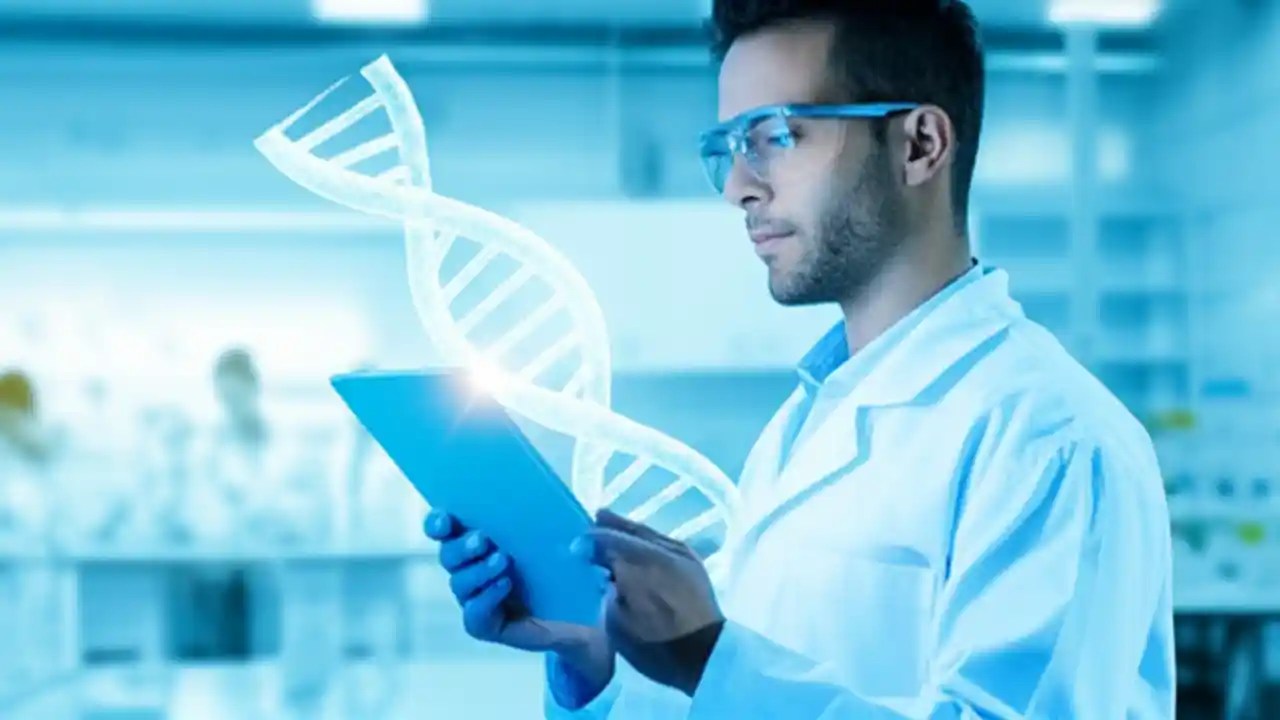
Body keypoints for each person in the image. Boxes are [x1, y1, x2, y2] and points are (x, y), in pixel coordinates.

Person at [424, 0, 1175, 717]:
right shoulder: (805, 423)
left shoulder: (1049, 438)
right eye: (728, 150)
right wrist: (591, 662)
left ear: (919, 145)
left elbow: (736, 680)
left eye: (775, 136)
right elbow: (734, 698)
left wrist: (706, 655)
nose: (741, 190)